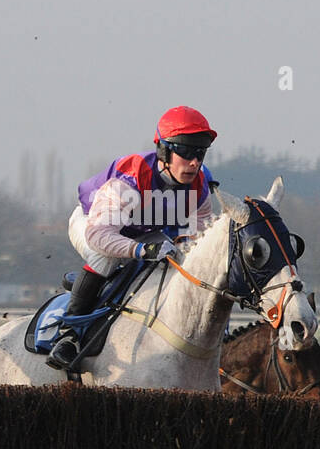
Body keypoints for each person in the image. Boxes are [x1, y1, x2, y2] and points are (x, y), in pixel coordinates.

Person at [46, 106, 217, 369]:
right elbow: (98, 235)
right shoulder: (132, 177)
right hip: (94, 225)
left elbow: (201, 237)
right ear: (164, 150)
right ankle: (67, 337)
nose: (194, 162)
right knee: (105, 259)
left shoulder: (200, 184)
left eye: (199, 152)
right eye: (185, 151)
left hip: (144, 231)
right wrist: (143, 251)